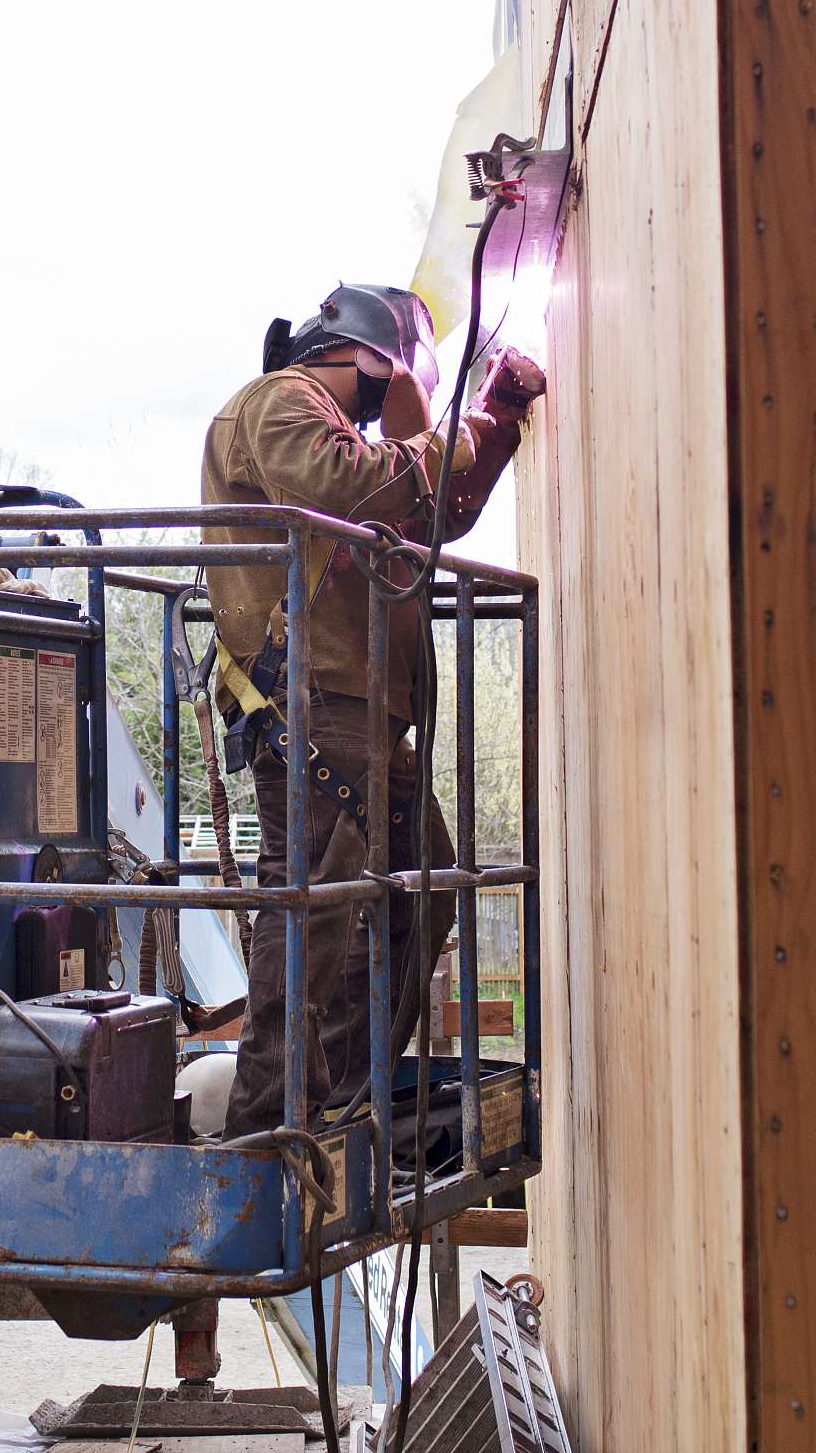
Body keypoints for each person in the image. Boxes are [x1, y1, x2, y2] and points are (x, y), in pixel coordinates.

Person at [200, 282, 544, 1137]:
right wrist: (446, 432)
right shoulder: (283, 401)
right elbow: (348, 481)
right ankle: (265, 1133)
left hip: (366, 713)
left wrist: (494, 419)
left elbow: (427, 512)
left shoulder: (347, 436)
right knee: (310, 919)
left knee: (419, 891)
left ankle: (340, 1106)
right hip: (311, 706)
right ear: (366, 353)